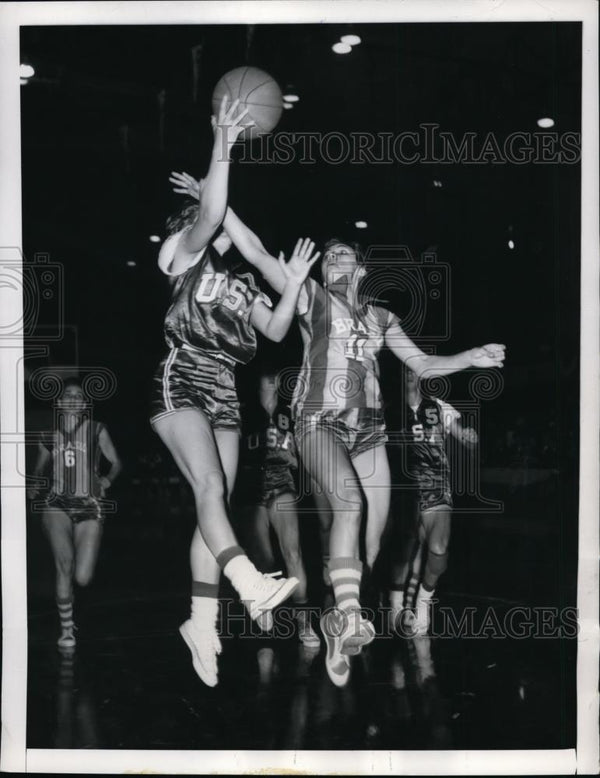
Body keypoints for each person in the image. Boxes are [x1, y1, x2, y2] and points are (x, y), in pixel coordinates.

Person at [169, 170, 505, 686]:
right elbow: (257, 253)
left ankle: (337, 624)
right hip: (317, 421)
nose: (335, 260)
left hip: (369, 431)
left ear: (363, 268)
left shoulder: (382, 317)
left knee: (367, 552)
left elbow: (424, 367)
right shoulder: (309, 299)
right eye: (329, 258)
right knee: (351, 505)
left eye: (344, 254)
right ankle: (347, 617)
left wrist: (470, 358)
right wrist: (218, 206)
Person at [153, 99, 319, 687]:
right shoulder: (184, 256)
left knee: (213, 505)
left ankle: (201, 621)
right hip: (183, 377)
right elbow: (215, 211)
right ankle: (249, 584)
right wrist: (222, 143)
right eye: (199, 217)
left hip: (226, 390)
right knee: (208, 486)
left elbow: (277, 331)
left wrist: (294, 284)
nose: (210, 222)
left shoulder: (239, 284)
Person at [28, 378, 122, 648]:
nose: (72, 398)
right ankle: (66, 630)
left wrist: (107, 480)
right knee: (64, 564)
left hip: (89, 505)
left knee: (82, 576)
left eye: (77, 395)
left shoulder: (97, 429)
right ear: (59, 403)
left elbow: (116, 462)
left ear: (84, 405)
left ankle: (72, 609)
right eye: (67, 394)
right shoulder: (48, 435)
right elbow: (38, 469)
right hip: (56, 503)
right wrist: (34, 483)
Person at [389, 369, 478, 636]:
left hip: (438, 484)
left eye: (413, 370)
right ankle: (396, 605)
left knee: (438, 550)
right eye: (403, 370)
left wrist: (469, 438)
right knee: (405, 549)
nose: (408, 375)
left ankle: (423, 602)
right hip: (404, 486)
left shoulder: (438, 406)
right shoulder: (388, 408)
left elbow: (462, 435)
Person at [237, 366, 320, 649]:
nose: (272, 378)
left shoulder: (289, 413)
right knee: (264, 557)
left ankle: (304, 622)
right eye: (267, 373)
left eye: (276, 375)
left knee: (293, 553)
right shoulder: (243, 411)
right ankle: (265, 610)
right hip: (251, 485)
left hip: (282, 481)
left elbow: (303, 453)